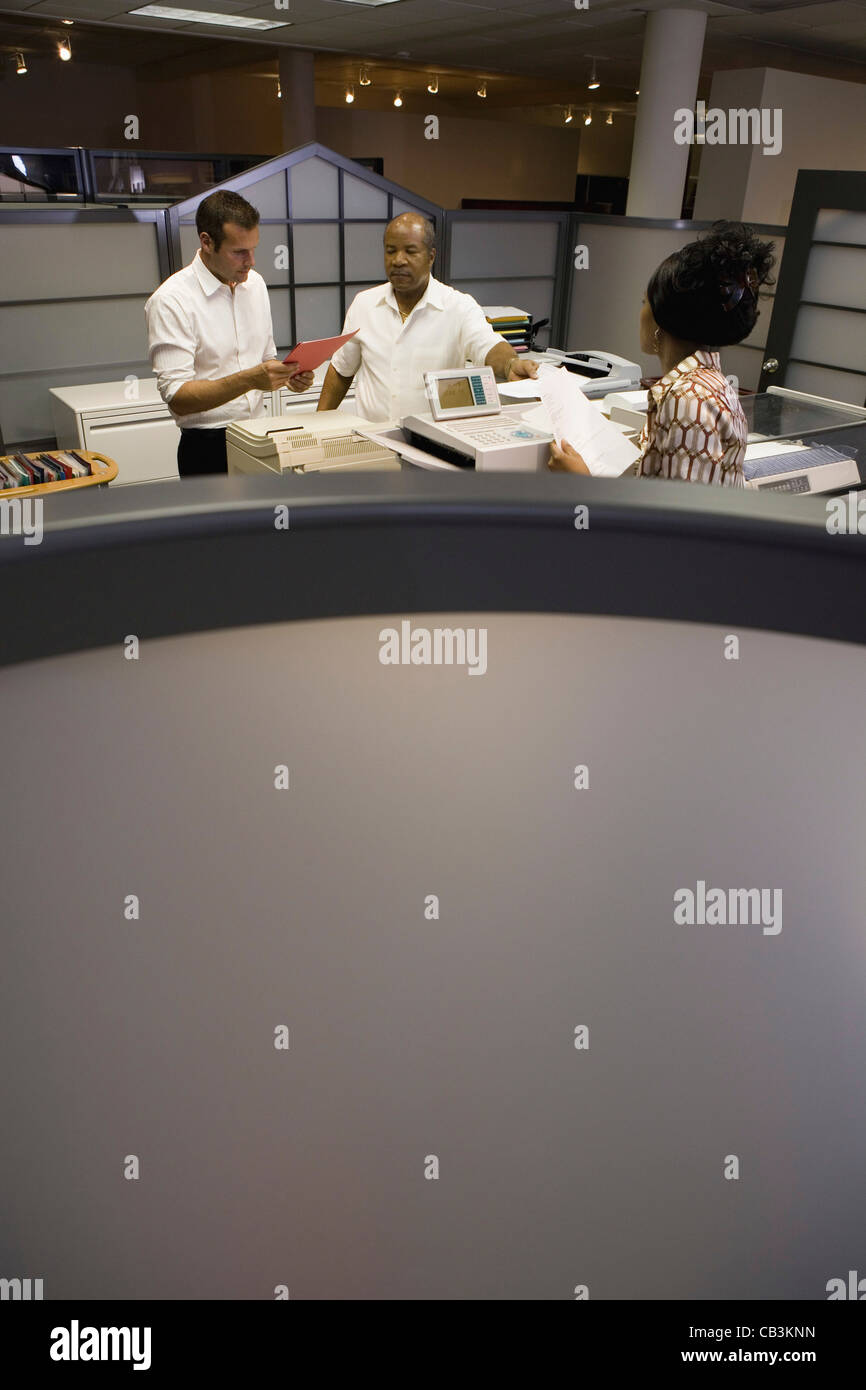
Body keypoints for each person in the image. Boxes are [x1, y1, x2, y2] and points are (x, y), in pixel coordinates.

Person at [549, 221, 776, 485]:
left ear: (661, 321)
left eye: (646, 302)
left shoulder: (688, 399)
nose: (641, 312)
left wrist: (582, 482)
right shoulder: (711, 385)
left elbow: (677, 523)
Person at [145, 190, 314, 478]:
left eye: (253, 249)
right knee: (215, 525)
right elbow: (177, 397)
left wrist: (287, 377)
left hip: (260, 432)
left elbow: (264, 358)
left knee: (265, 522)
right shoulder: (172, 300)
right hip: (206, 444)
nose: (251, 261)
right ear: (207, 242)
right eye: (239, 252)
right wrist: (250, 379)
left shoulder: (255, 285)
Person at [317, 213, 538, 422]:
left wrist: (511, 364)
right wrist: (318, 426)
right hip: (373, 442)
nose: (398, 260)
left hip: (432, 445)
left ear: (431, 256)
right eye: (390, 250)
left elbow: (488, 345)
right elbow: (341, 370)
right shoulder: (364, 304)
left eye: (410, 251)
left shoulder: (458, 306)